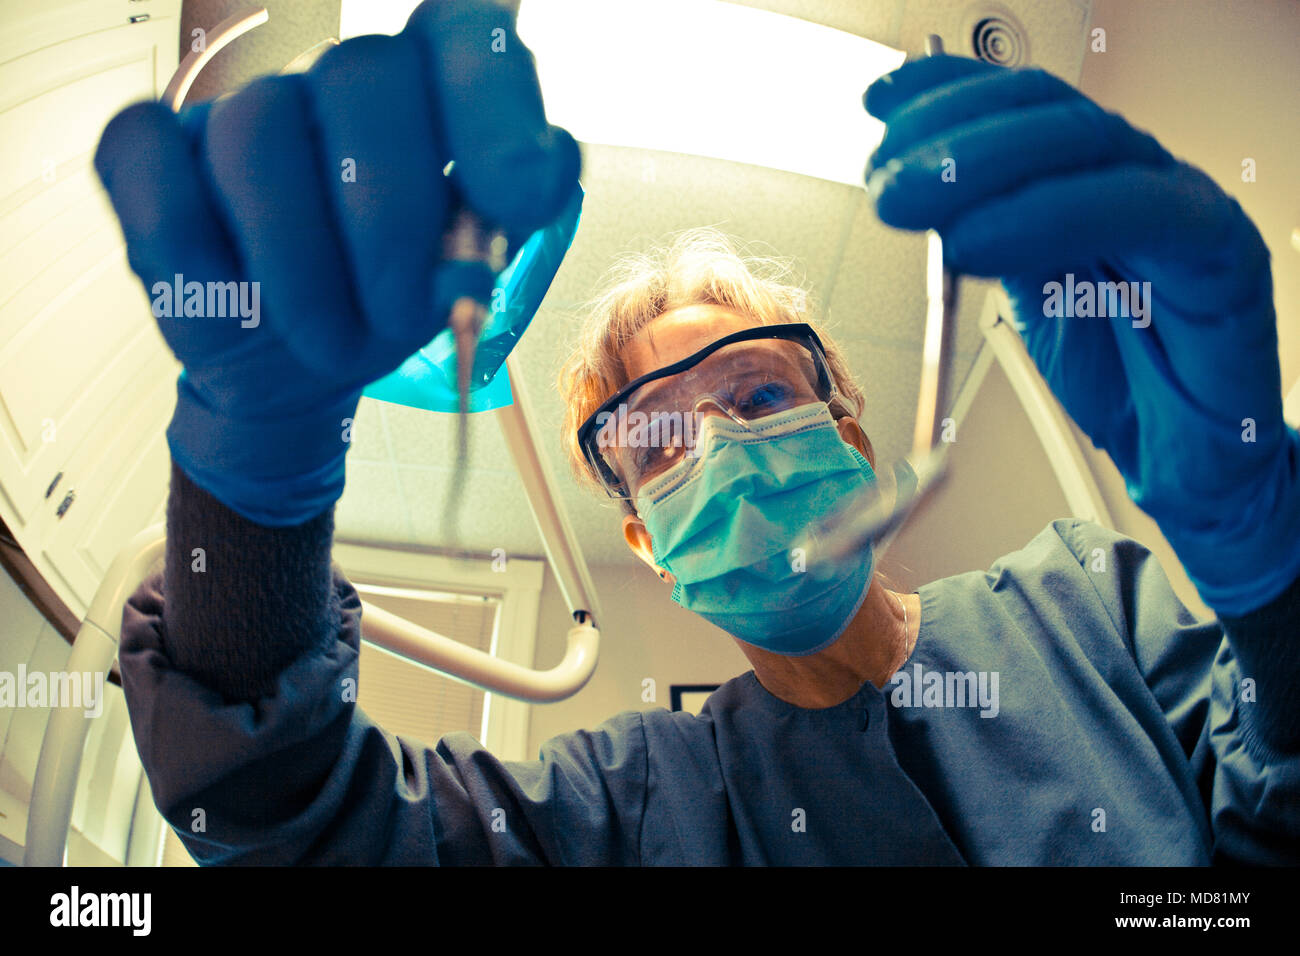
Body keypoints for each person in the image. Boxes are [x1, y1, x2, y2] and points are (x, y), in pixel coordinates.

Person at [98, 1, 1299, 864]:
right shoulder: (632, 804)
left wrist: (1274, 573)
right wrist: (254, 492)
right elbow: (288, 822)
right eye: (659, 438)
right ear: (645, 535)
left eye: (761, 393)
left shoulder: (1084, 603)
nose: (720, 448)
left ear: (853, 432)